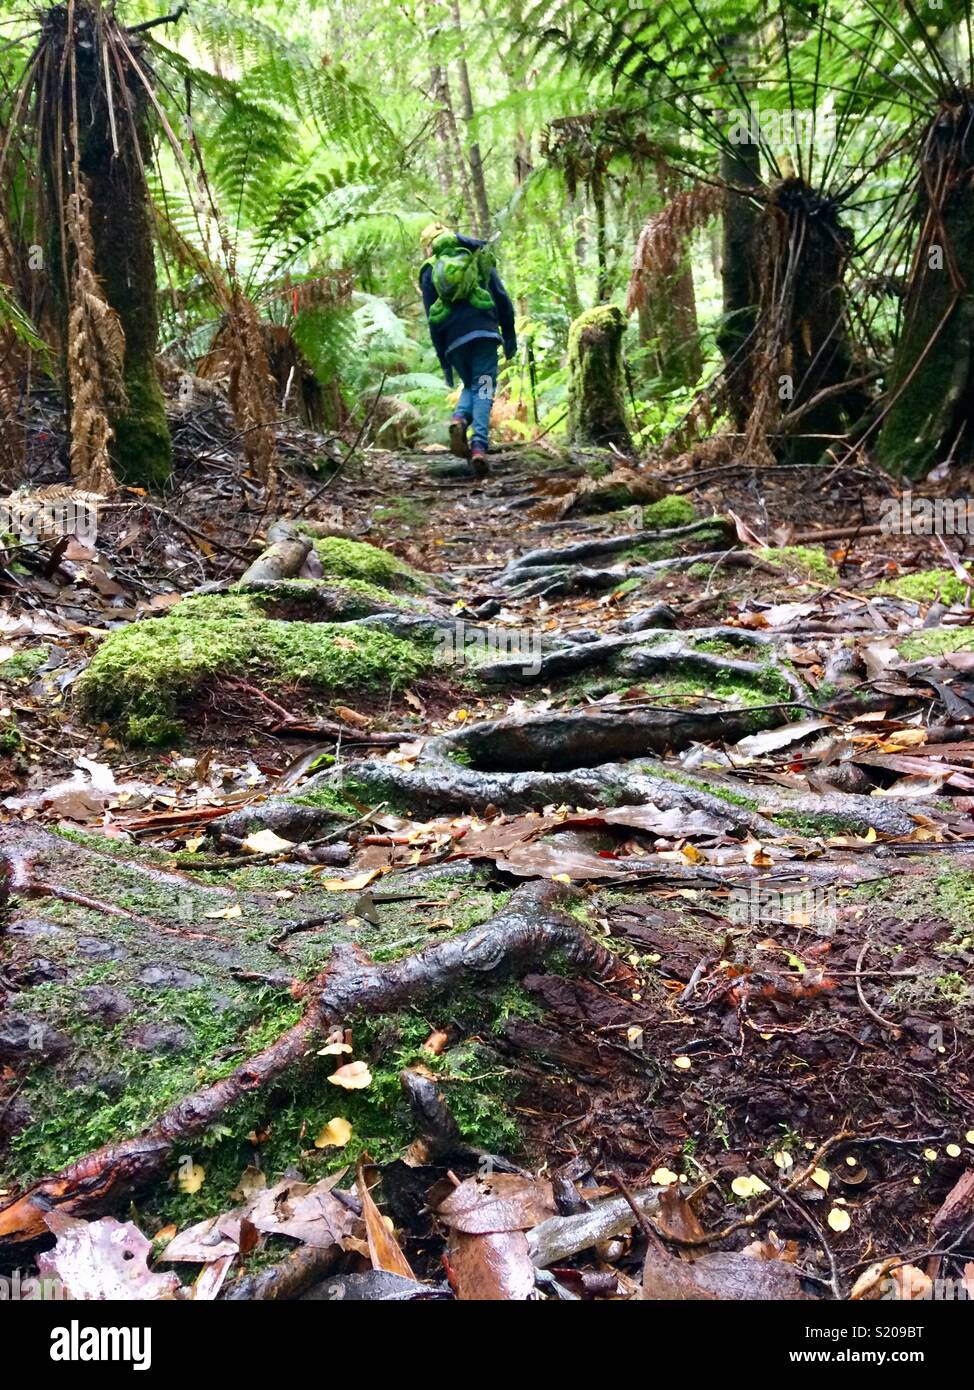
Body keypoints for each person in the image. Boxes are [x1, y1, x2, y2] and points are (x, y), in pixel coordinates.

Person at [419, 222, 517, 476]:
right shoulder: (477, 257)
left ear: (429, 247)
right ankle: (479, 446)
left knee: (472, 387)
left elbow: (432, 317)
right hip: (484, 334)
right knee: (484, 388)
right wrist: (509, 335)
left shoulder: (429, 271)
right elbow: (501, 296)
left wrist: (443, 358)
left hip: (453, 342)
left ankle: (459, 420)